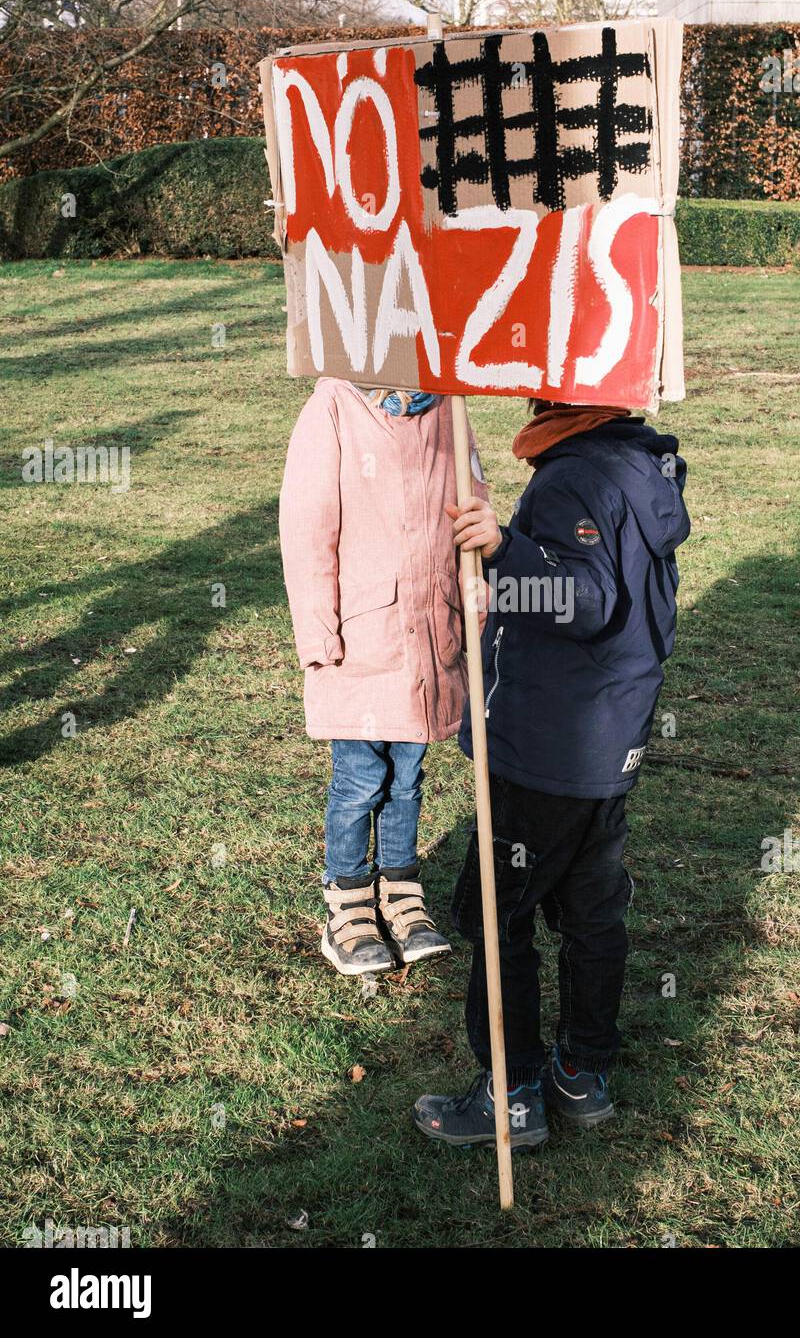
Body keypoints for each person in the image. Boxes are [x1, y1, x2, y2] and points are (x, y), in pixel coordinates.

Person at [413, 398, 690, 1149]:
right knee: (590, 913)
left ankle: (513, 1094)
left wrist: (504, 549)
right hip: (605, 742)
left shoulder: (573, 476)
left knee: (496, 917)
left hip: (549, 744)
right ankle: (583, 1070)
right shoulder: (639, 463)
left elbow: (583, 599)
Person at [279, 379, 488, 977]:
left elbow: (471, 501)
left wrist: (473, 602)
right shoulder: (335, 406)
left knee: (408, 775)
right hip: (361, 641)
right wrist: (320, 632)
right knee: (360, 778)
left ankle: (400, 890)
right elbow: (306, 524)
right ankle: (346, 902)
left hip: (429, 635)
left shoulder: (450, 404)